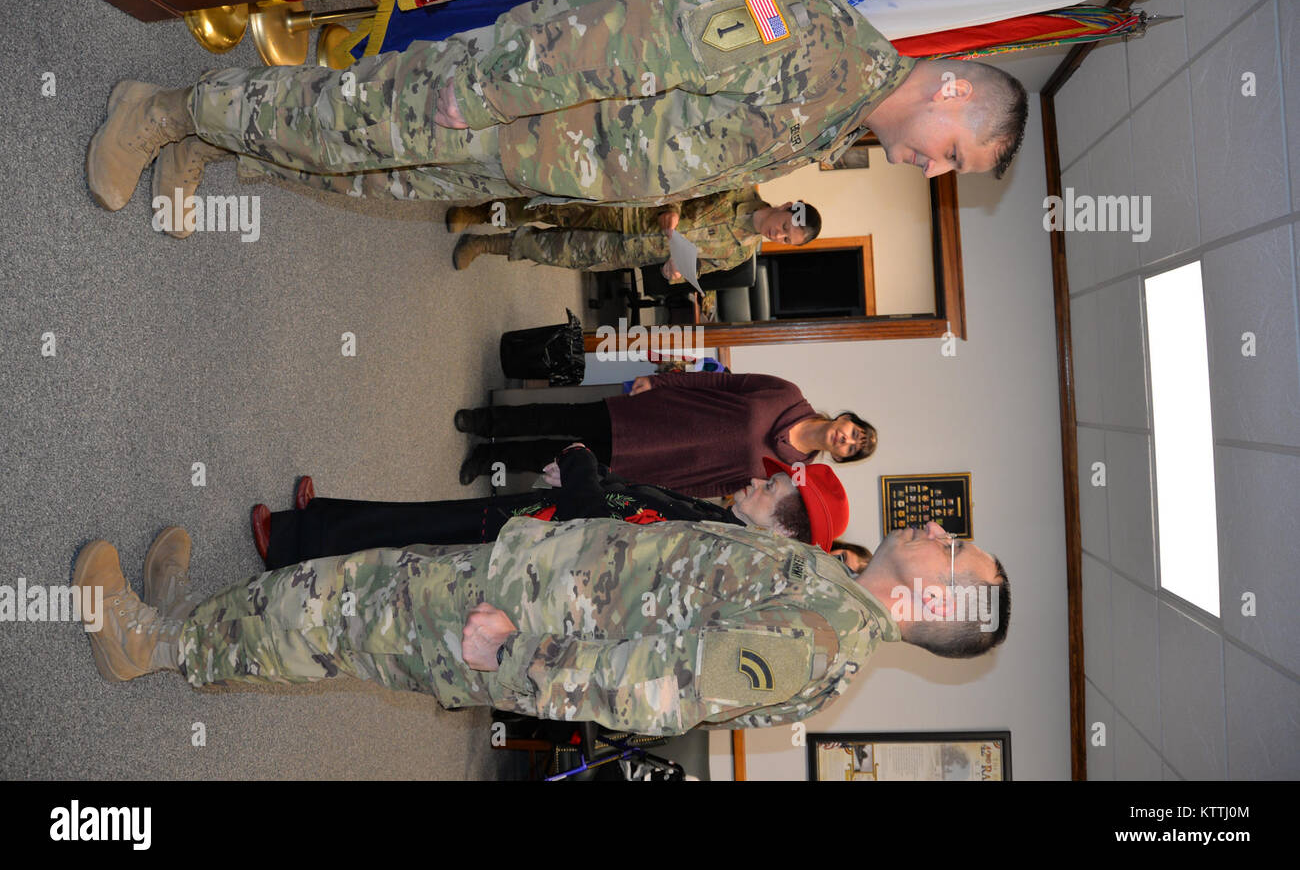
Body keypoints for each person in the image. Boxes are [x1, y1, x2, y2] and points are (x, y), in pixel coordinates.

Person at [85, 0, 1027, 227]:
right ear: (950, 90)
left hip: (528, 154)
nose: (928, 167)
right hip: (506, 101)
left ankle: (209, 140)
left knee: (362, 178)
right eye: (952, 152)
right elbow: (630, 35)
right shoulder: (815, 34)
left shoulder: (833, 122)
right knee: (338, 127)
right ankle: (160, 111)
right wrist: (484, 93)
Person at [74, 518, 1009, 735]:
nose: (936, 528)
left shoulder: (818, 635)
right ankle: (194, 629)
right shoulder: (830, 603)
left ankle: (154, 643)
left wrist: (512, 652)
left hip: (518, 625)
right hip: (535, 595)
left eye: (954, 549)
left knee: (330, 610)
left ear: (936, 605)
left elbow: (658, 693)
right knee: (341, 603)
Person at [252, 451, 849, 567]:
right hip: (536, 521)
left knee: (413, 536)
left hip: (529, 544)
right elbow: (633, 502)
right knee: (421, 517)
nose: (756, 480)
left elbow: (601, 529)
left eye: (771, 490)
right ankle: (321, 518)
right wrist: (587, 476)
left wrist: (581, 461)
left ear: (778, 527)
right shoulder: (720, 520)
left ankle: (292, 542)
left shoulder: (713, 539)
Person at [456, 370, 876, 497]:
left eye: (853, 448)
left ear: (841, 457)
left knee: (560, 456)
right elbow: (721, 384)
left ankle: (487, 463)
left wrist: (666, 488)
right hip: (658, 414)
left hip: (658, 461)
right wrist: (663, 382)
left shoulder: (789, 474)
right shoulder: (787, 392)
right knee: (560, 418)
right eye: (855, 432)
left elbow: (725, 485)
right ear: (845, 418)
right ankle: (484, 421)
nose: (847, 439)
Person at [447, 188, 820, 276]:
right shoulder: (739, 187)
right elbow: (685, 182)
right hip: (628, 208)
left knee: (553, 250)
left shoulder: (739, 253)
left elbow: (694, 271)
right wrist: (672, 210)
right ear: (788, 206)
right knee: (547, 206)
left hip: (628, 251)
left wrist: (675, 272)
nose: (779, 236)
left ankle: (483, 244)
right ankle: (477, 213)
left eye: (787, 240)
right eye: (785, 227)